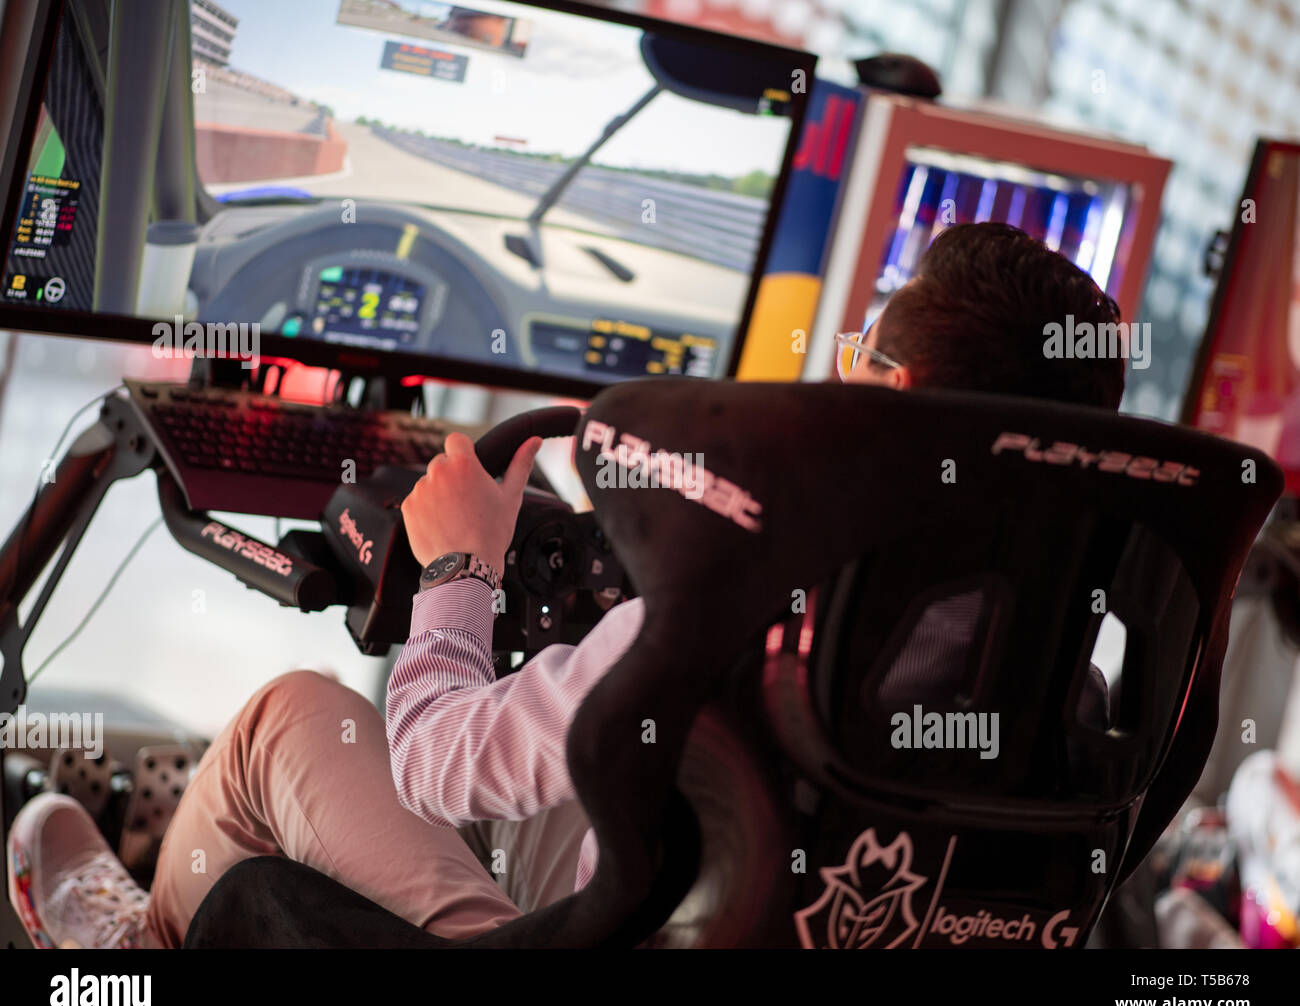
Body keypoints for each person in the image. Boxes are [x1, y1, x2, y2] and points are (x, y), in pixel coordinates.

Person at [5, 222, 1126, 948]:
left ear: (898, 388)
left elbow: (440, 764)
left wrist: (456, 570)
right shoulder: (1062, 683)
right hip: (715, 904)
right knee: (567, 773)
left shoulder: (756, 598)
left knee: (284, 722)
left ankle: (122, 953)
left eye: (855, 352)